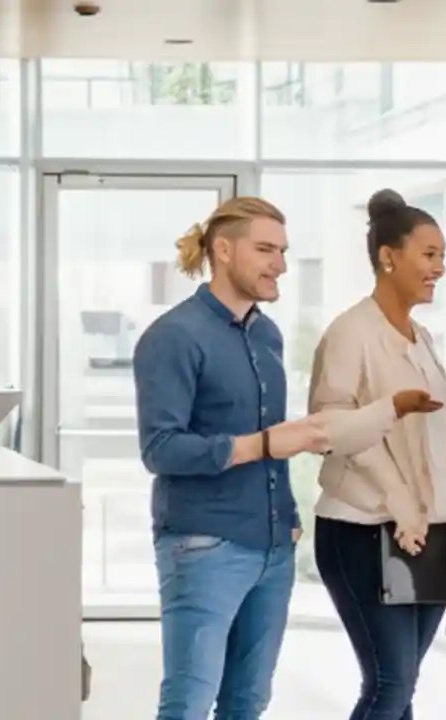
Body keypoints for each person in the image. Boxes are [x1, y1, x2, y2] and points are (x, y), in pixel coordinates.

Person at [133, 196, 330, 720]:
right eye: (265, 249)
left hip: (272, 547)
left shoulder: (266, 334)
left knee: (249, 702)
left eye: (283, 251)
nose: (280, 265)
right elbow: (160, 449)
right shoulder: (173, 336)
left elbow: (277, 443)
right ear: (223, 250)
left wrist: (287, 520)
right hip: (204, 545)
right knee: (189, 702)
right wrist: (262, 444)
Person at [307, 189, 446, 720]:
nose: (439, 268)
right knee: (389, 683)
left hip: (431, 534)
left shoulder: (422, 339)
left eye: (443, 256)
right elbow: (333, 428)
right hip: (363, 529)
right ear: (388, 257)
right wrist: (397, 497)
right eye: (429, 254)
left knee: (402, 688)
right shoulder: (350, 332)